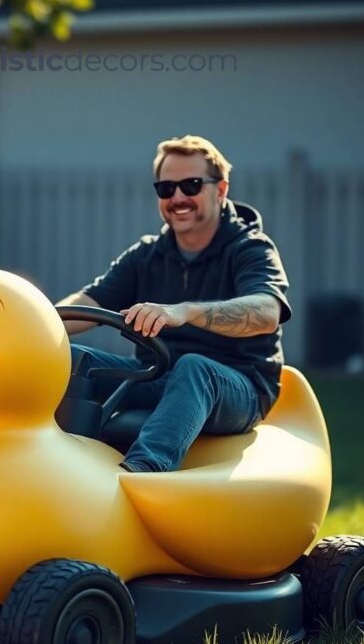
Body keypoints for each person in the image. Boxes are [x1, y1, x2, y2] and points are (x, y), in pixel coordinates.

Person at [57, 135, 292, 473]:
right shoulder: (147, 254)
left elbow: (267, 313)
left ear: (221, 189)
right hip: (157, 373)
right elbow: (86, 303)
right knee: (72, 359)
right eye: (166, 189)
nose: (178, 197)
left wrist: (187, 312)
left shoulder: (250, 248)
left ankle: (141, 474)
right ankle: (55, 463)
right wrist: (32, 322)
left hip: (236, 388)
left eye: (191, 185)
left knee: (194, 367)